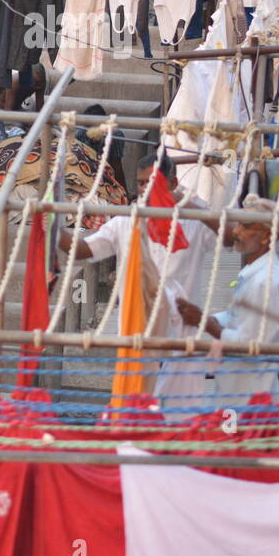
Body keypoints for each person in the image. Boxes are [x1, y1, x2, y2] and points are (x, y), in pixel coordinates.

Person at [60, 154, 220, 410]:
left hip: (181, 339)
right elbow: (82, 250)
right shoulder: (126, 222)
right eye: (142, 183)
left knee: (178, 419)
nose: (146, 189)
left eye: (153, 182)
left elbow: (232, 237)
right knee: (134, 415)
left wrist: (191, 208)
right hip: (136, 336)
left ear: (174, 182)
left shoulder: (194, 220)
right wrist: (50, 226)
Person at [175, 194, 279, 403]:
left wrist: (205, 323)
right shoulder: (254, 274)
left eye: (245, 226)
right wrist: (203, 317)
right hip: (235, 390)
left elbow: (251, 346)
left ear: (266, 236)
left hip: (250, 399)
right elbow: (238, 318)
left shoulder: (266, 282)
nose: (236, 231)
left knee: (235, 433)